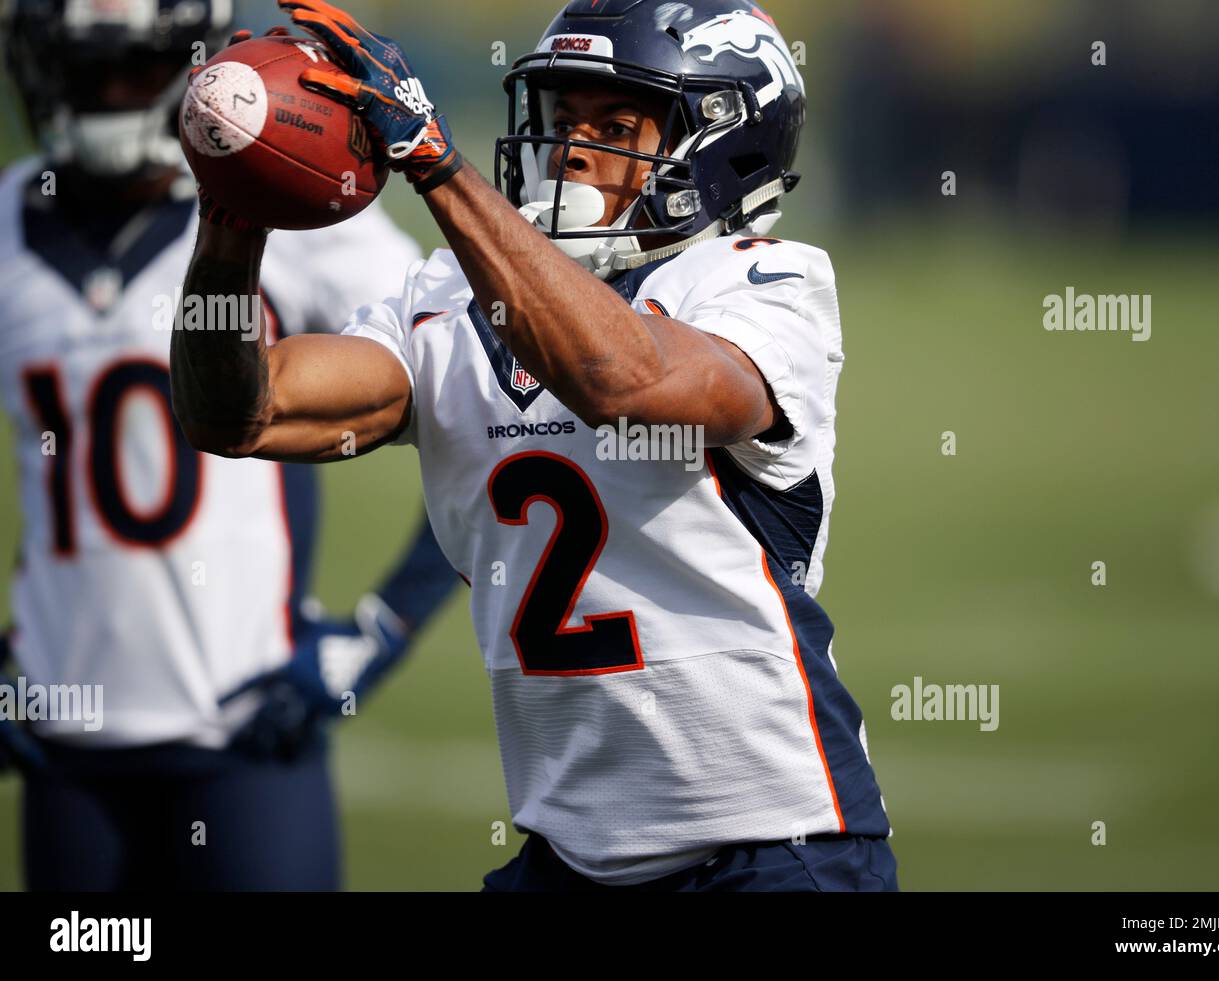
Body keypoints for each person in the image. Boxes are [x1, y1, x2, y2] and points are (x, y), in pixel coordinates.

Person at [173, 0, 897, 892]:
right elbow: (237, 413)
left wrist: (438, 165)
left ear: (721, 141)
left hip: (777, 850)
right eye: (563, 121)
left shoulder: (762, 282)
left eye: (616, 123)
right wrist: (233, 218)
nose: (573, 148)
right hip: (568, 856)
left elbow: (629, 385)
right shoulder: (443, 301)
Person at [0, 0, 460, 890]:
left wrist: (380, 631)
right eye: (86, 72)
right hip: (64, 748)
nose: (109, 92)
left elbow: (476, 396)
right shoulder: (10, 224)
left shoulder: (281, 205)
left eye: (134, 68)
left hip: (247, 732)